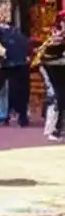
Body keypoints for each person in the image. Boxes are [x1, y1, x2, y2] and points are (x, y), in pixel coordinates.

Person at [0, 16, 31, 127]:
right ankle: (21, 116)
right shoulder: (19, 34)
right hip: (21, 63)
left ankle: (1, 112)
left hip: (8, 64)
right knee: (21, 90)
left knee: (4, 90)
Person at [34, 13, 65, 142]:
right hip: (55, 69)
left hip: (55, 68)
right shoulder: (56, 36)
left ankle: (55, 128)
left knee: (58, 98)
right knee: (58, 98)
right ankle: (54, 129)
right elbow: (48, 53)